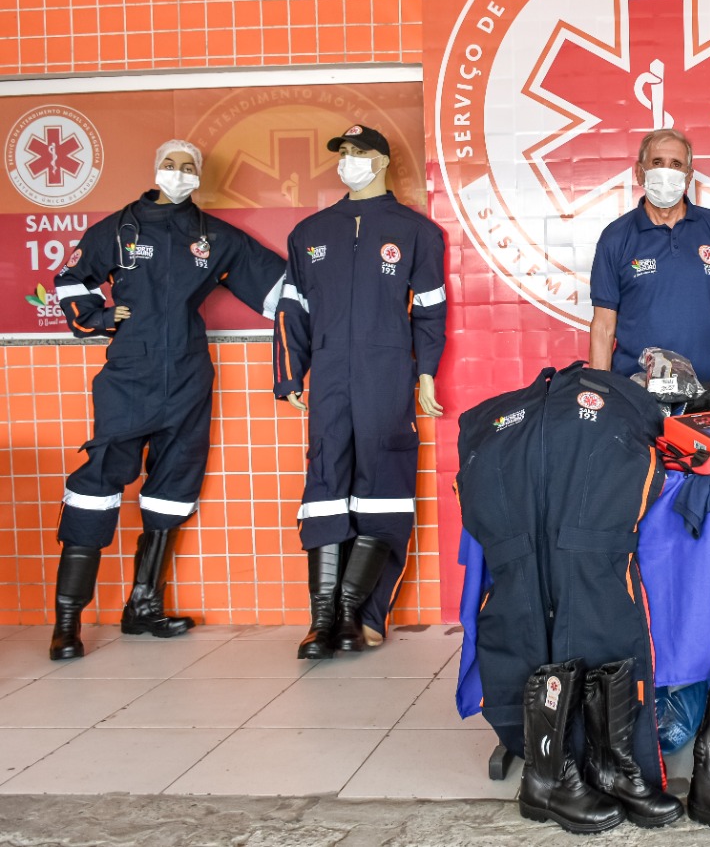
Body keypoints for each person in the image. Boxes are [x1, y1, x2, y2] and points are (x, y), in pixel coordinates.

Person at [50, 140, 286, 660]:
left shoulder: (213, 236)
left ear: (199, 175)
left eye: (188, 167)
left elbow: (281, 290)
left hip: (187, 374)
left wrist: (347, 304)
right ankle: (67, 623)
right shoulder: (118, 230)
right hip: (128, 376)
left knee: (173, 487)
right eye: (170, 165)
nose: (178, 173)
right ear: (156, 169)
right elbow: (69, 279)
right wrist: (97, 317)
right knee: (97, 483)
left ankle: (143, 606)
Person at [274, 124, 446, 660]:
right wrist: (289, 373)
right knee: (325, 486)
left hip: (386, 374)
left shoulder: (416, 232)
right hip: (329, 376)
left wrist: (425, 372)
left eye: (358, 152)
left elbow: (431, 310)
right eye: (343, 153)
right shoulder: (309, 232)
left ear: (382, 160)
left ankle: (360, 615)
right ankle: (322, 620)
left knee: (383, 488)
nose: (348, 160)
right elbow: (292, 310)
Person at [589, 129, 710, 383]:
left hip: (707, 388)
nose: (666, 172)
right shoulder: (615, 237)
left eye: (676, 165)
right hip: (636, 391)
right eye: (657, 163)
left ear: (688, 176)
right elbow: (603, 327)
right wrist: (600, 393)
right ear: (640, 172)